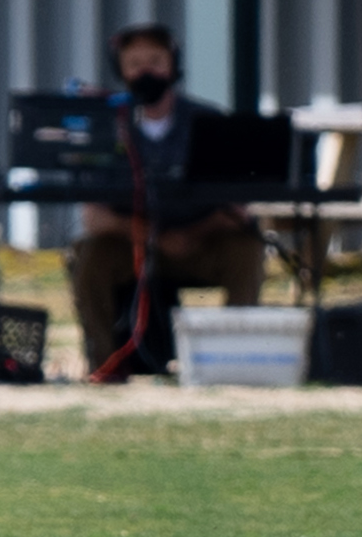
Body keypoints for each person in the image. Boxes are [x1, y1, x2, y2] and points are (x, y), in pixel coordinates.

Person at [70, 22, 265, 381]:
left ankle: (233, 363)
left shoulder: (208, 121)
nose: (146, 71)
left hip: (201, 243)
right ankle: (105, 366)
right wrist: (148, 236)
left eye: (155, 61)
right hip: (132, 247)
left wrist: (194, 233)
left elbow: (237, 208)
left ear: (173, 65)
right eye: (135, 62)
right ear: (121, 70)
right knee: (90, 255)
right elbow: (93, 218)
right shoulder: (107, 127)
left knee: (246, 250)